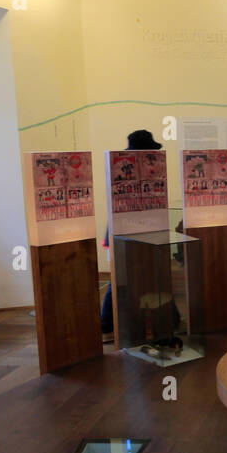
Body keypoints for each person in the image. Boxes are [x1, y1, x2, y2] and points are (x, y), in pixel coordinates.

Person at [102, 129, 163, 336]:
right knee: (120, 278)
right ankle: (108, 322)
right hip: (124, 231)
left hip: (135, 230)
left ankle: (114, 321)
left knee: (144, 275)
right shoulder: (123, 169)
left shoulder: (136, 169)